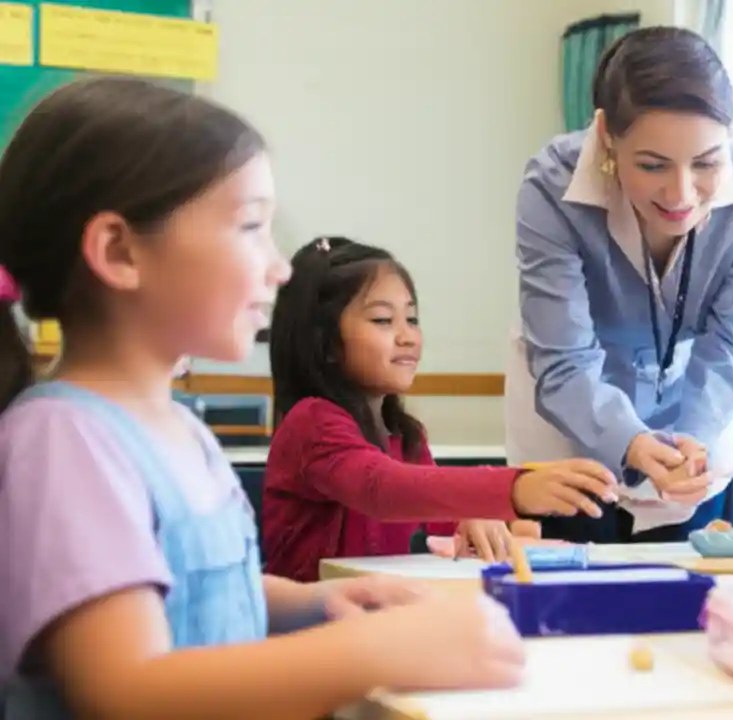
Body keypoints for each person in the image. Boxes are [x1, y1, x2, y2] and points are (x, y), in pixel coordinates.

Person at [0, 77, 528, 719]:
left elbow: (195, 591)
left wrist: (318, 604)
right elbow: (127, 689)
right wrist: (373, 652)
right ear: (119, 251)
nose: (279, 269)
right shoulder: (62, 439)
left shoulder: (177, 430)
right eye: (251, 227)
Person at [505, 26, 733, 543]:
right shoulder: (551, 187)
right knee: (573, 575)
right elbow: (564, 358)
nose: (682, 193)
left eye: (706, 163)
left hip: (696, 394)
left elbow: (730, 344)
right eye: (652, 165)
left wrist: (693, 440)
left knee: (683, 578)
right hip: (571, 395)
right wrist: (630, 440)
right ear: (607, 135)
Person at [265, 237, 616, 581]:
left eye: (412, 319)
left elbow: (437, 511)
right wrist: (514, 489)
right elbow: (383, 489)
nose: (408, 337)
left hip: (375, 620)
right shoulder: (310, 423)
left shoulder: (407, 435)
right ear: (325, 343)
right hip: (308, 628)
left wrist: (487, 524)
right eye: (383, 321)